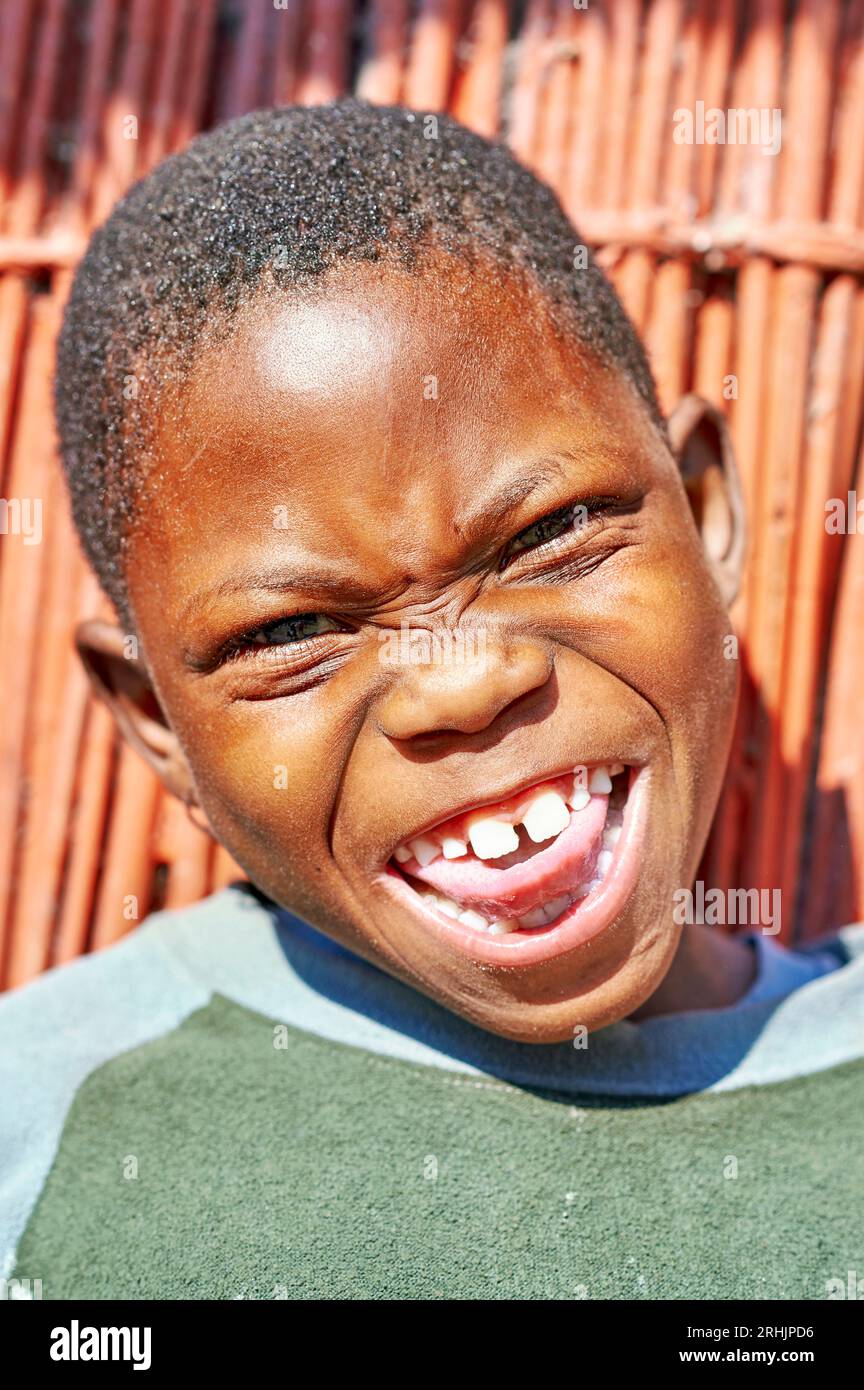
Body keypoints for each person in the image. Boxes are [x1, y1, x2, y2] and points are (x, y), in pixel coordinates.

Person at [1, 101, 860, 1300]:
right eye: (292, 632)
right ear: (158, 727)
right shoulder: (40, 1130)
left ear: (706, 517)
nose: (462, 683)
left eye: (552, 532)